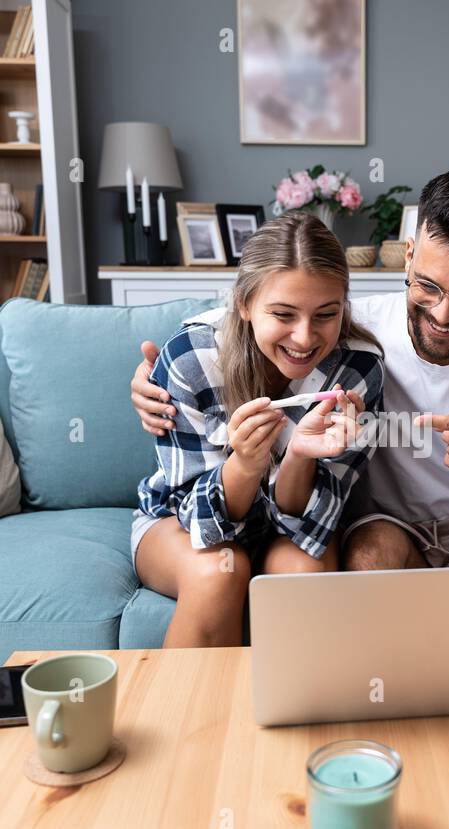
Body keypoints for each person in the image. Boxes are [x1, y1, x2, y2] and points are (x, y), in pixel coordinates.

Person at [133, 167, 449, 637]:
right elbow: (254, 314)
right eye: (428, 286)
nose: (442, 314)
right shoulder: (354, 332)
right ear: (409, 257)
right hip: (389, 526)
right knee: (367, 556)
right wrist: (159, 373)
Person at [132, 212, 383, 648]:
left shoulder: (357, 372)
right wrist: (245, 464)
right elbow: (199, 523)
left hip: (292, 526)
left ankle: (296, 713)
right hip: (182, 520)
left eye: (326, 314)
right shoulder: (192, 358)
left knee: (306, 572)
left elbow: (309, 525)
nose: (304, 338)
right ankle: (194, 715)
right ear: (244, 304)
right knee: (218, 572)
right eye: (283, 314)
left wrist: (301, 456)